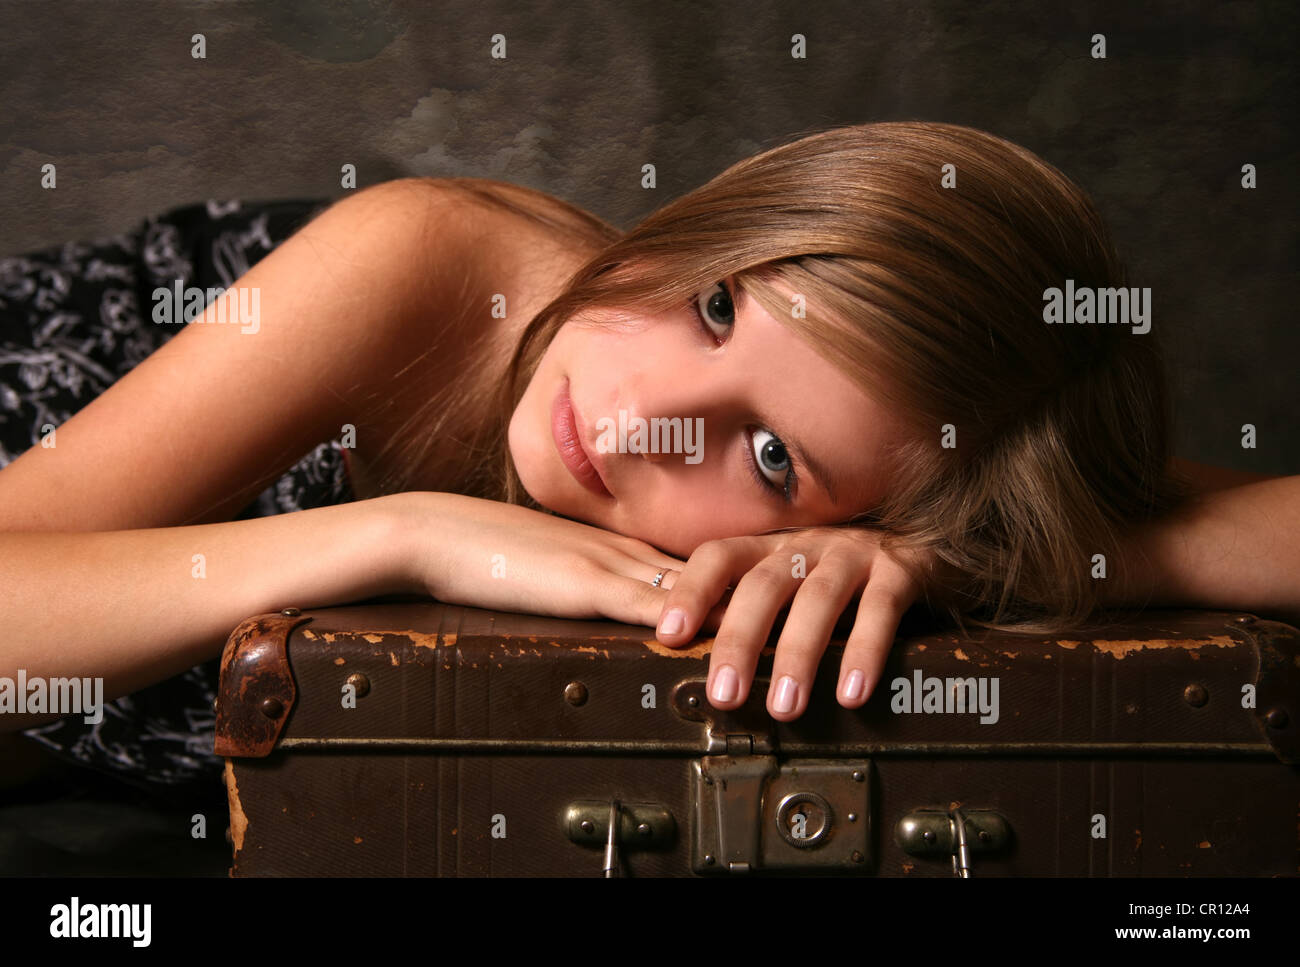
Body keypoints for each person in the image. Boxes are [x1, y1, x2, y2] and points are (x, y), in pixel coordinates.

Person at [1, 121, 1295, 797]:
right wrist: (406, 529)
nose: (629, 420)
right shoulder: (427, 262)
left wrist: (959, 553)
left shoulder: (972, 443)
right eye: (719, 305)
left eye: (775, 455)